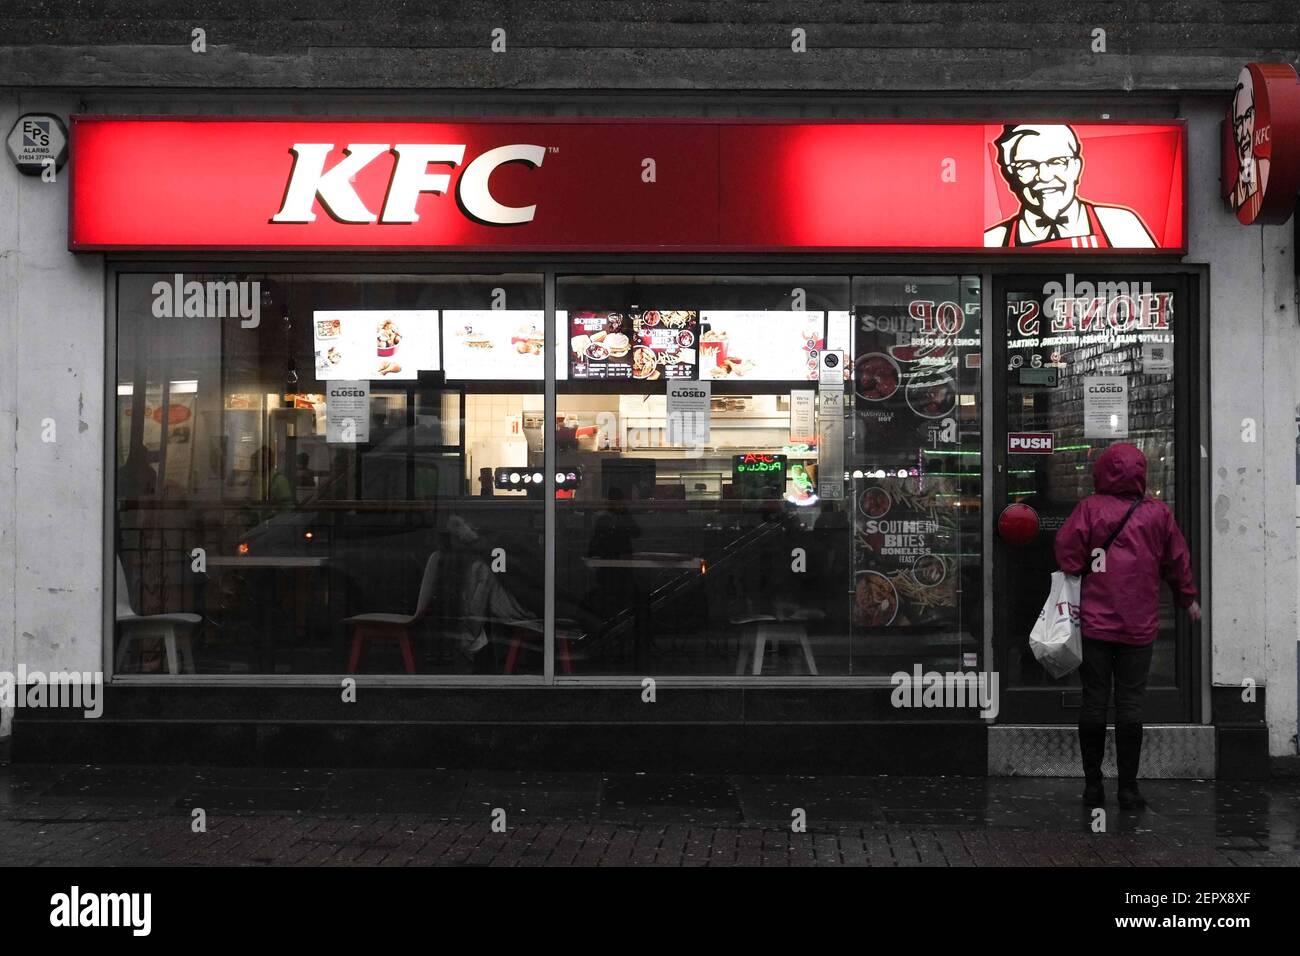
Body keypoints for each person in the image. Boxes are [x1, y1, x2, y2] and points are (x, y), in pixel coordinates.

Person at [1054, 443, 1200, 810]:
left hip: (1095, 625)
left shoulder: (1089, 510)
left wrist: (1087, 567)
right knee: (1131, 704)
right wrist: (1188, 599)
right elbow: (1177, 561)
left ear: (1102, 472)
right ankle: (1129, 788)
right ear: (1140, 473)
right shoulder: (1158, 514)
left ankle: (1092, 786)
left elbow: (1068, 556)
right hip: (1138, 625)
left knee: (1094, 701)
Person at [983, 124, 1157, 249]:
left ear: (1076, 167)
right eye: (1027, 165)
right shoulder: (993, 240)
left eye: (1057, 162)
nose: (1044, 176)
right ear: (1010, 175)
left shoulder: (1119, 224)